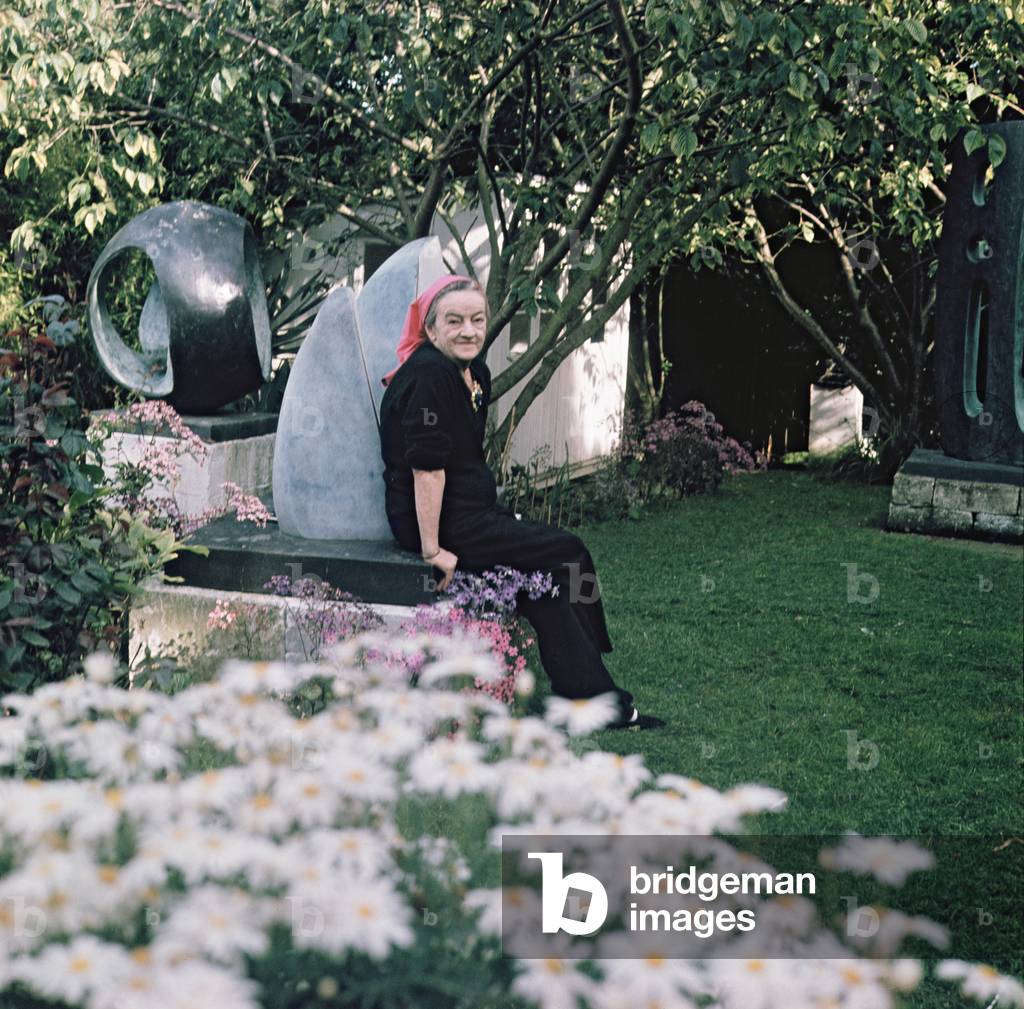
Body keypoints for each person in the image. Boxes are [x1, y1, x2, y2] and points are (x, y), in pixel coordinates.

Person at [378, 273, 662, 730]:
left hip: (469, 511)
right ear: (431, 330)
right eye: (454, 322)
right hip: (442, 522)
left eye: (477, 319)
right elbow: (426, 468)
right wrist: (432, 550)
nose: (469, 330)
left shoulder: (471, 372)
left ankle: (590, 698)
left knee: (542, 585)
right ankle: (594, 661)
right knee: (568, 551)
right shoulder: (430, 376)